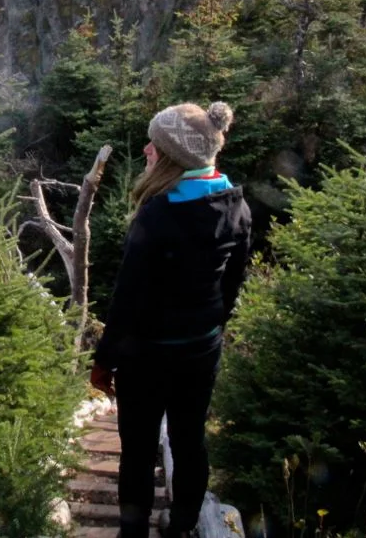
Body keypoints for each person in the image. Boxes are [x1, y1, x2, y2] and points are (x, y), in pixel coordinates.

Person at [89, 101, 252, 538]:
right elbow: (233, 283)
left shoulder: (157, 214)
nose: (147, 149)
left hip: (146, 356)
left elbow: (126, 298)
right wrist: (211, 328)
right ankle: (181, 526)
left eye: (155, 145)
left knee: (139, 450)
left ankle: (133, 531)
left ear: (174, 157)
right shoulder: (235, 205)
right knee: (189, 440)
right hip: (200, 350)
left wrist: (104, 360)